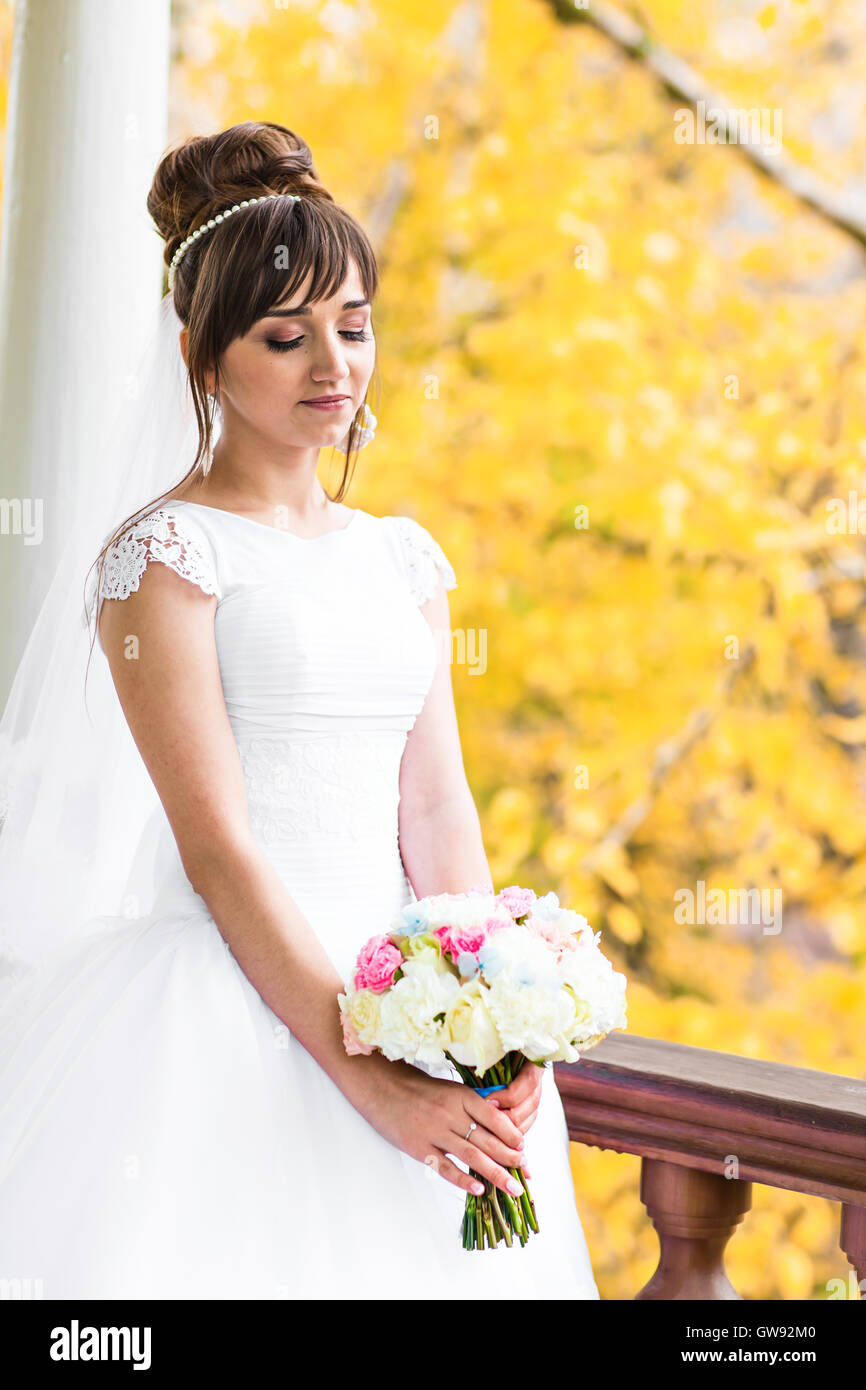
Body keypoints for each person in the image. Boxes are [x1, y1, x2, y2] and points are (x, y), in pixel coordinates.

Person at [0, 121, 599, 1298]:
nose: (334, 362)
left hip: (412, 994)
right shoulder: (161, 558)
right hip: (230, 1013)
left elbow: (434, 802)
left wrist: (496, 1018)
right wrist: (362, 1072)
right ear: (204, 356)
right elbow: (217, 844)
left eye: (353, 325)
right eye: (286, 336)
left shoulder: (401, 559)